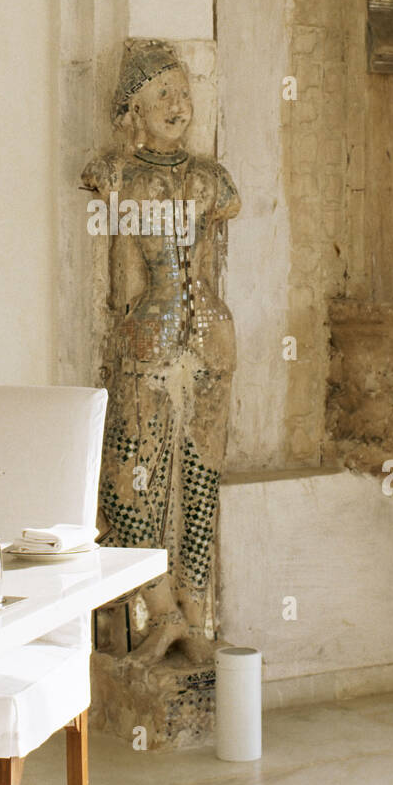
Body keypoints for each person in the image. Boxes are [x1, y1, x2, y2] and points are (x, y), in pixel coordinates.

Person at [82, 40, 240, 663]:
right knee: (131, 482)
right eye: (162, 94)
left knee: (201, 479)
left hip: (210, 337)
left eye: (183, 91)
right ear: (132, 110)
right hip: (147, 342)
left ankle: (197, 620)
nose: (179, 105)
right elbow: (120, 284)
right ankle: (161, 610)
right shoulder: (115, 173)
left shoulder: (211, 179)